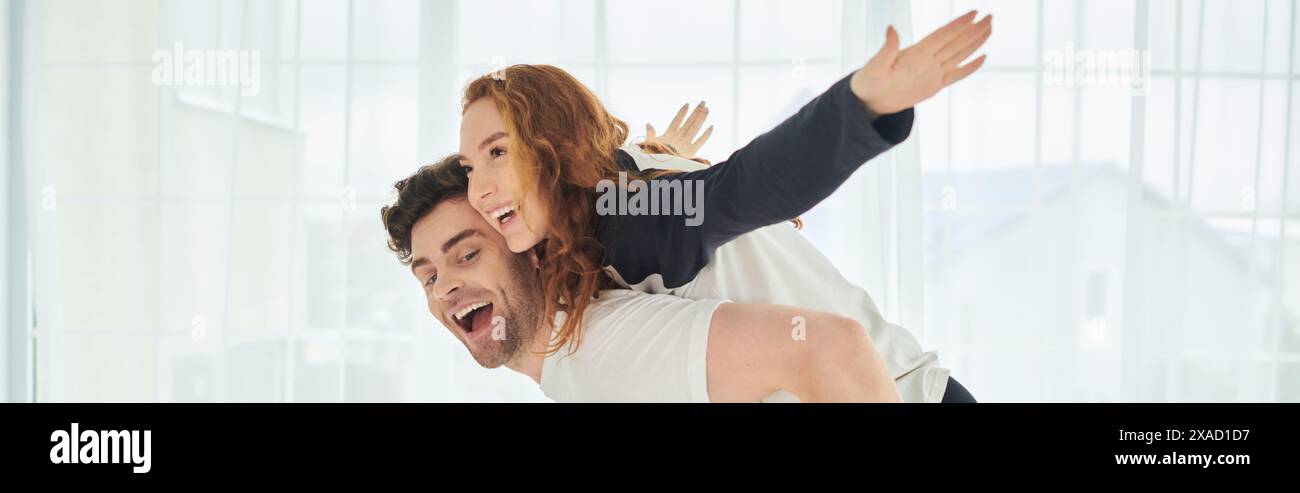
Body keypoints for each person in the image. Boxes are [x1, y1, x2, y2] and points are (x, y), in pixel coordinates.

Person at [454, 13, 992, 402]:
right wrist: (645, 157)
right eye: (471, 167)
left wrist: (860, 106)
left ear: (553, 144)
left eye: (498, 151)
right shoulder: (619, 200)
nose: (479, 189)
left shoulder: (630, 219)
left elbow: (746, 185)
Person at [381, 158, 900, 402]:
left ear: (531, 249)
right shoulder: (577, 354)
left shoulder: (599, 345)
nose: (444, 286)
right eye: (427, 277)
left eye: (467, 254)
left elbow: (829, 346)